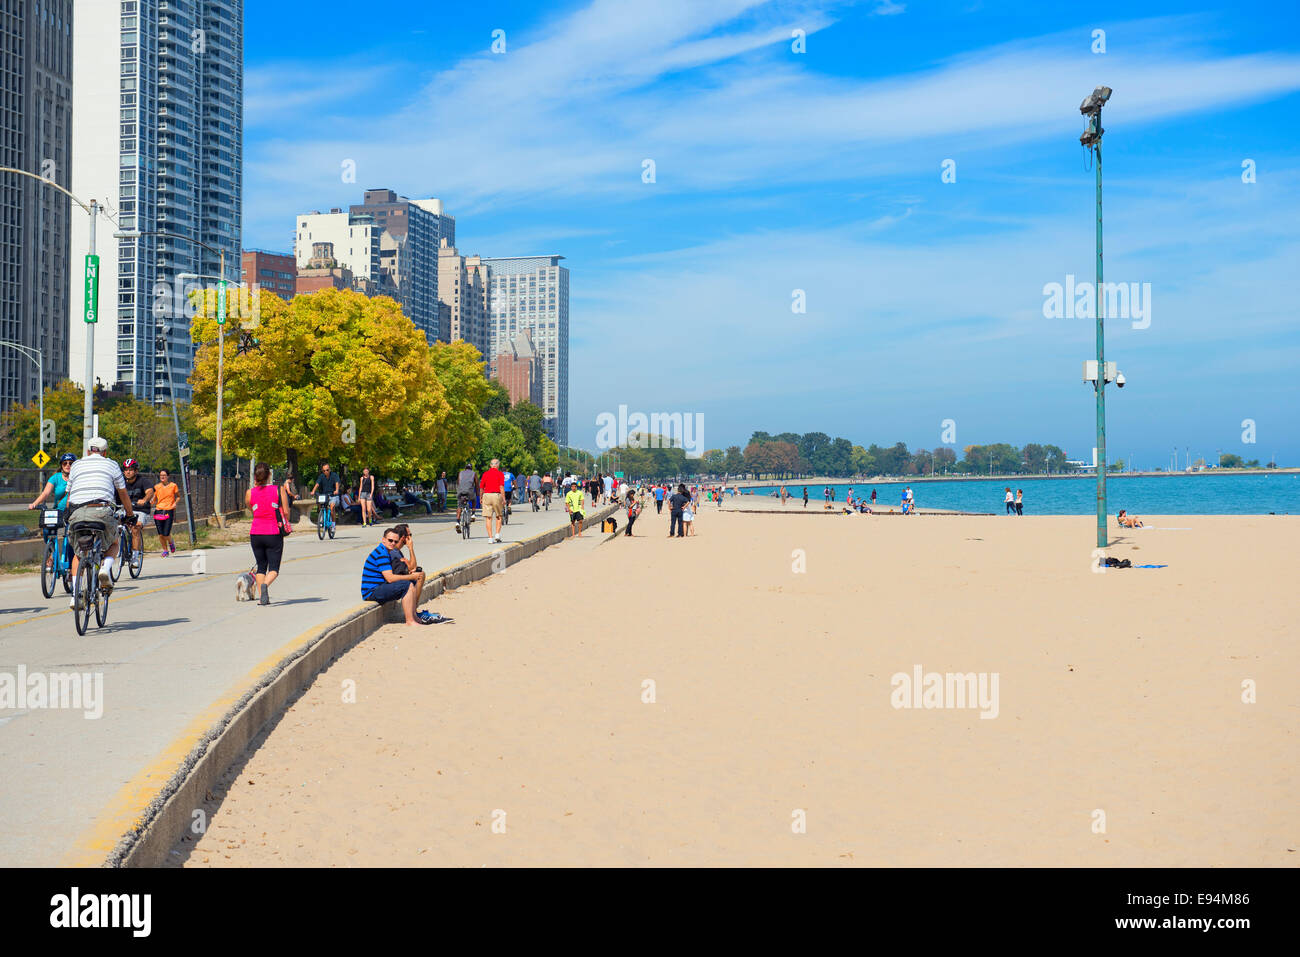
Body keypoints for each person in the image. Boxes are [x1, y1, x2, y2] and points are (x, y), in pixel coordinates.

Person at [64, 437, 136, 604]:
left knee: (77, 553)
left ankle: (75, 597)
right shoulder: (111, 464)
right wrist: (130, 514)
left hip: (78, 512)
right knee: (114, 543)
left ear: (88, 451)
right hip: (102, 512)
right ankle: (104, 568)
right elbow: (123, 493)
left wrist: (68, 515)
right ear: (105, 452)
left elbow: (69, 496)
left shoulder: (76, 465)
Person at [361, 527, 441, 625]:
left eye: (395, 541)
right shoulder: (381, 553)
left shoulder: (386, 552)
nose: (393, 543)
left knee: (411, 583)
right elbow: (390, 578)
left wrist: (411, 577)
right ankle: (410, 621)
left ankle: (414, 617)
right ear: (383, 539)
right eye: (390, 540)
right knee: (406, 585)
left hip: (380, 587)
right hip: (371, 591)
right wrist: (411, 577)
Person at [246, 462, 291, 605]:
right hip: (273, 532)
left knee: (261, 567)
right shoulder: (279, 489)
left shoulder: (249, 492)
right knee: (274, 569)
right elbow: (286, 512)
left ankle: (262, 599)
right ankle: (265, 585)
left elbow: (251, 510)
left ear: (255, 476)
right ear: (269, 475)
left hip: (256, 533)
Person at [30, 452, 77, 575]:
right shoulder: (55, 477)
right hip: (58, 511)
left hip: (73, 511)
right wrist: (34, 503)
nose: (68, 465)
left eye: (71, 463)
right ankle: (51, 552)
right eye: (65, 463)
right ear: (61, 465)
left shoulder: (78, 477)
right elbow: (45, 493)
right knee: (47, 528)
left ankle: (72, 569)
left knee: (71, 537)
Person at [119, 459, 151, 557]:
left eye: (131, 469)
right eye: (126, 470)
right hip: (125, 509)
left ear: (136, 471)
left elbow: (150, 492)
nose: (128, 472)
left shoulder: (143, 481)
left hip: (140, 510)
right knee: (113, 525)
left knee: (135, 528)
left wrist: (144, 500)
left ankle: (135, 556)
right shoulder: (120, 483)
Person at [148, 468, 181, 556]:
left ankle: (171, 542)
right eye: (161, 475)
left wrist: (175, 503)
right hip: (158, 511)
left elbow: (178, 496)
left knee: (166, 533)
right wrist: (147, 506)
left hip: (168, 511)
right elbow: (154, 500)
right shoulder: (156, 487)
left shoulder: (173, 486)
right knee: (161, 534)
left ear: (168, 476)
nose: (162, 477)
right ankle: (165, 550)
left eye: (164, 475)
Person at [480, 458, 506, 544]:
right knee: (499, 516)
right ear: (498, 465)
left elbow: (481, 487)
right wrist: (503, 498)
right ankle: (497, 534)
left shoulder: (485, 474)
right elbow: (501, 487)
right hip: (496, 495)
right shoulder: (500, 474)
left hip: (486, 495)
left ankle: (490, 538)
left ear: (490, 465)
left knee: (488, 517)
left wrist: (481, 497)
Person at [455, 462, 477, 534]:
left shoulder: (460, 473)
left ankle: (457, 522)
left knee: (459, 506)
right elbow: (477, 484)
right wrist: (477, 493)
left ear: (465, 468)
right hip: (469, 492)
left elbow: (458, 482)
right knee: (474, 499)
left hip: (460, 492)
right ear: (471, 468)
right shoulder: (474, 473)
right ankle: (473, 514)